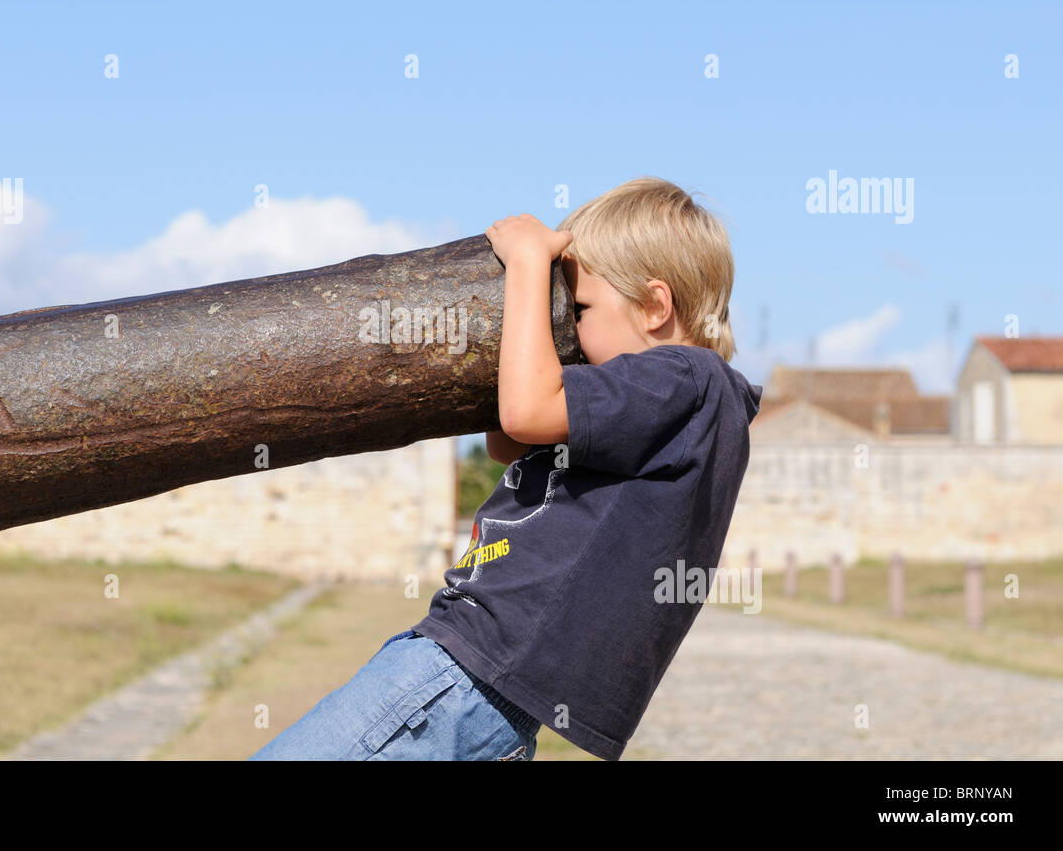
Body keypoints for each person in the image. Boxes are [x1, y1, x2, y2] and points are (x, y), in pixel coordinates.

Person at [249, 177, 763, 761]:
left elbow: (525, 411)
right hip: (483, 690)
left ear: (653, 306)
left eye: (581, 310)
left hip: (464, 676)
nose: (570, 327)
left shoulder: (683, 379)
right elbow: (509, 443)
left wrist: (523, 266)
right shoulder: (670, 404)